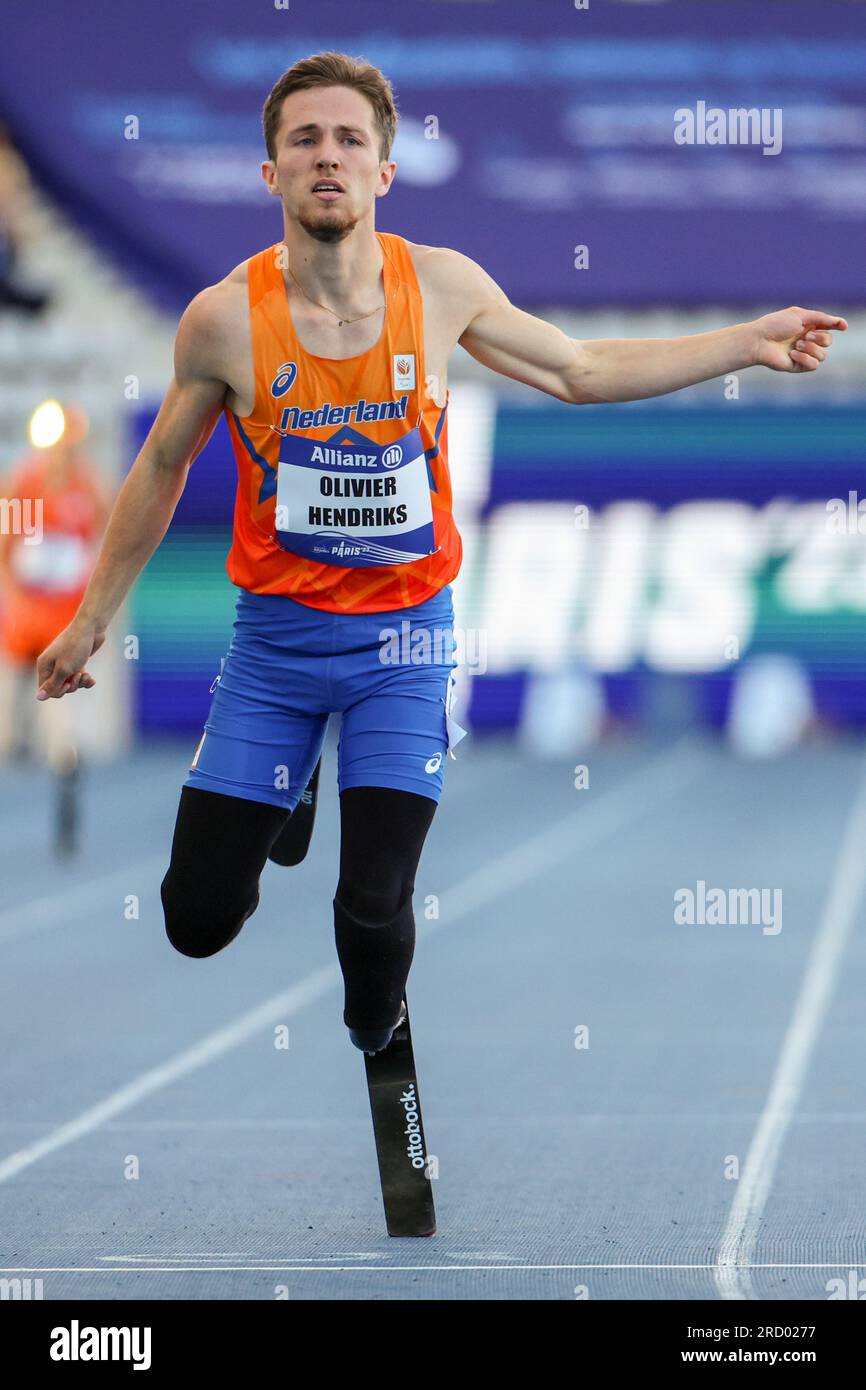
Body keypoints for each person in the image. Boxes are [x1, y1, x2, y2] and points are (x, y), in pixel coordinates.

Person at [34, 52, 846, 1049]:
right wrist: (90, 620)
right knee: (194, 921)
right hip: (275, 650)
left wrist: (744, 341)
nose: (325, 157)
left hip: (403, 647)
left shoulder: (443, 287)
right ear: (270, 174)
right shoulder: (221, 323)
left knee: (371, 911)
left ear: (383, 172)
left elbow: (582, 369)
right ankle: (291, 789)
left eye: (348, 140)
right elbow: (159, 468)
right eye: (303, 140)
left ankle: (378, 1021)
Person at [0, 402, 110, 852]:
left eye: (69, 444)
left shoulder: (87, 489)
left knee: (61, 720)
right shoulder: (26, 486)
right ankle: (20, 743)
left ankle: (66, 774)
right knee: (12, 720)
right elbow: (7, 548)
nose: (62, 453)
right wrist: (15, 598)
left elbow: (109, 538)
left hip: (65, 624)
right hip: (26, 621)